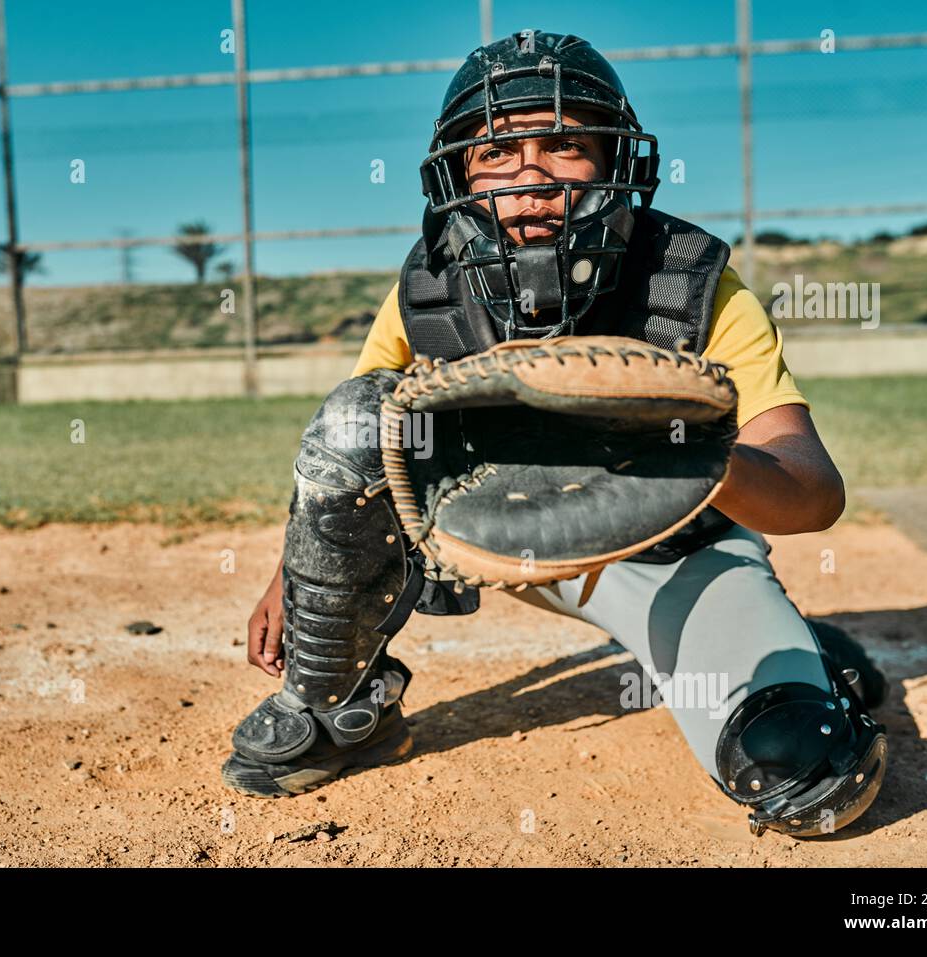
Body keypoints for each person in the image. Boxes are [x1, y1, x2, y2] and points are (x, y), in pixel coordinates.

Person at [221, 31, 888, 838]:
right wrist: (293, 576)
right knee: (362, 415)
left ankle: (782, 652)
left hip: (664, 552)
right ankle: (339, 705)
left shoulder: (689, 280)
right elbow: (354, 445)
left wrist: (690, 449)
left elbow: (812, 492)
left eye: (564, 145)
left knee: (797, 766)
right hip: (485, 533)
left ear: (617, 160)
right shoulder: (431, 286)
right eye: (496, 153)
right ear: (457, 175)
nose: (530, 180)